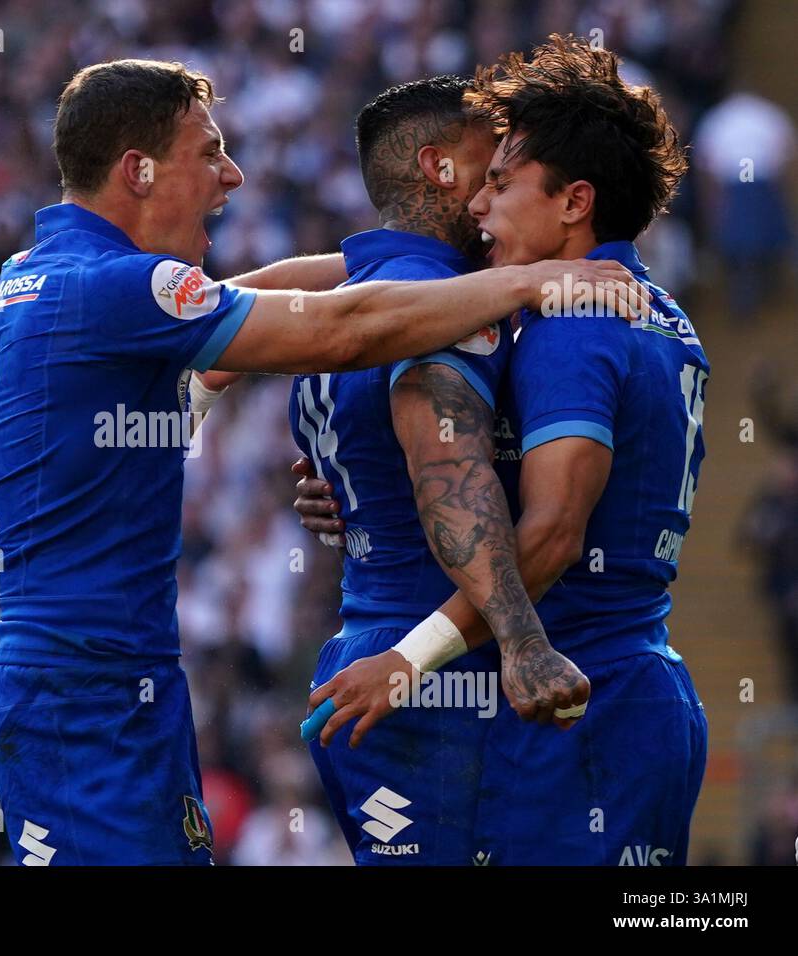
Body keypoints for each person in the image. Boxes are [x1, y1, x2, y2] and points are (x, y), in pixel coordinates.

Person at [0, 57, 646, 865]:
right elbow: (343, 329)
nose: (234, 173)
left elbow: (309, 300)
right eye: (209, 151)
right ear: (139, 170)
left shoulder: (48, 274)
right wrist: (530, 279)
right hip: (84, 695)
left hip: (114, 680)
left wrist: (353, 466)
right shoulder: (119, 287)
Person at [298, 36, 709, 865]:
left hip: (582, 706)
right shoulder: (656, 309)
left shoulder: (571, 325)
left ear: (573, 202)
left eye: (501, 181)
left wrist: (408, 660)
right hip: (631, 690)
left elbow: (556, 530)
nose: (480, 206)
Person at [288, 75, 588, 867]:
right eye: (491, 166)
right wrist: (524, 643)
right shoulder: (441, 305)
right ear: (438, 169)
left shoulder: (354, 299)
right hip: (435, 674)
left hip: (368, 649)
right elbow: (447, 475)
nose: (498, 190)